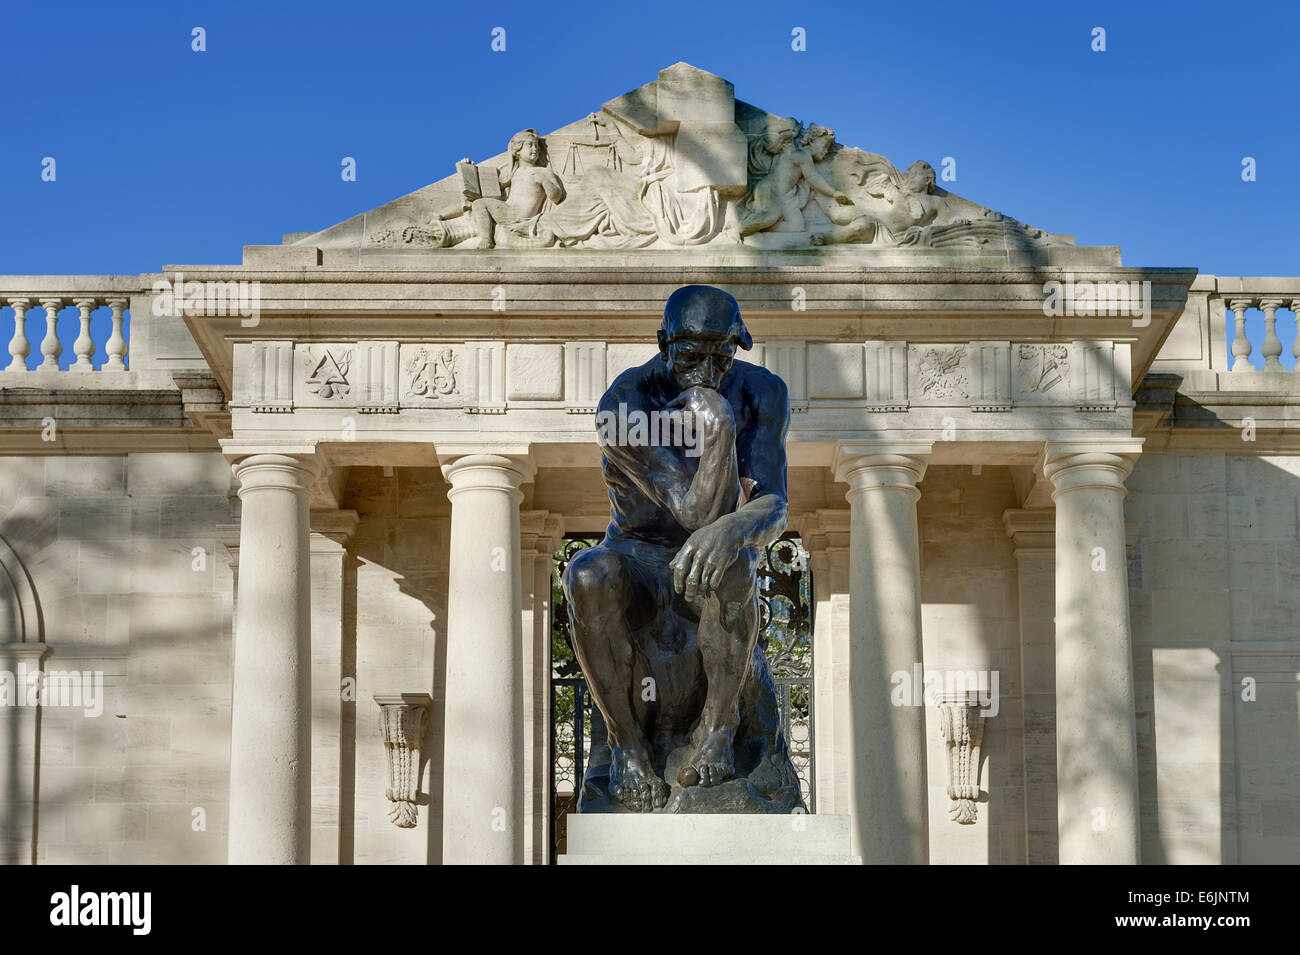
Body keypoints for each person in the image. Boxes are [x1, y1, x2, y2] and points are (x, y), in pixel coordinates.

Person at [562, 285, 790, 812]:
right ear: (664, 344)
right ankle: (626, 748)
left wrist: (732, 530)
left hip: (711, 558)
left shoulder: (763, 391)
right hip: (639, 559)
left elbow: (775, 506)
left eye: (721, 357)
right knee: (588, 574)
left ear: (736, 347)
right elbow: (692, 512)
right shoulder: (624, 405)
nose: (707, 373)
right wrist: (718, 425)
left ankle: (718, 727)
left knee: (731, 564)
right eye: (690, 357)